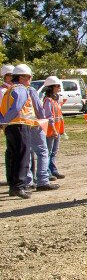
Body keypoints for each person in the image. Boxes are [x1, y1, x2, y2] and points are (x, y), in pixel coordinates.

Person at [1, 65, 39, 198]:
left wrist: (4, 122)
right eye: (29, 77)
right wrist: (6, 120)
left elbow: (3, 110)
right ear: (21, 78)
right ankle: (19, 186)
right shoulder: (21, 89)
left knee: (12, 155)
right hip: (20, 126)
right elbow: (17, 107)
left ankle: (13, 186)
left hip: (11, 127)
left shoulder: (9, 90)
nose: (30, 79)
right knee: (22, 156)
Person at [42, 76, 67, 180]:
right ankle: (48, 172)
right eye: (57, 86)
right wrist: (54, 129)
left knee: (54, 152)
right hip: (51, 130)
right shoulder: (48, 100)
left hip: (57, 129)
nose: (59, 88)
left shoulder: (55, 99)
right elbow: (49, 116)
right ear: (51, 87)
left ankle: (53, 170)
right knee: (48, 152)